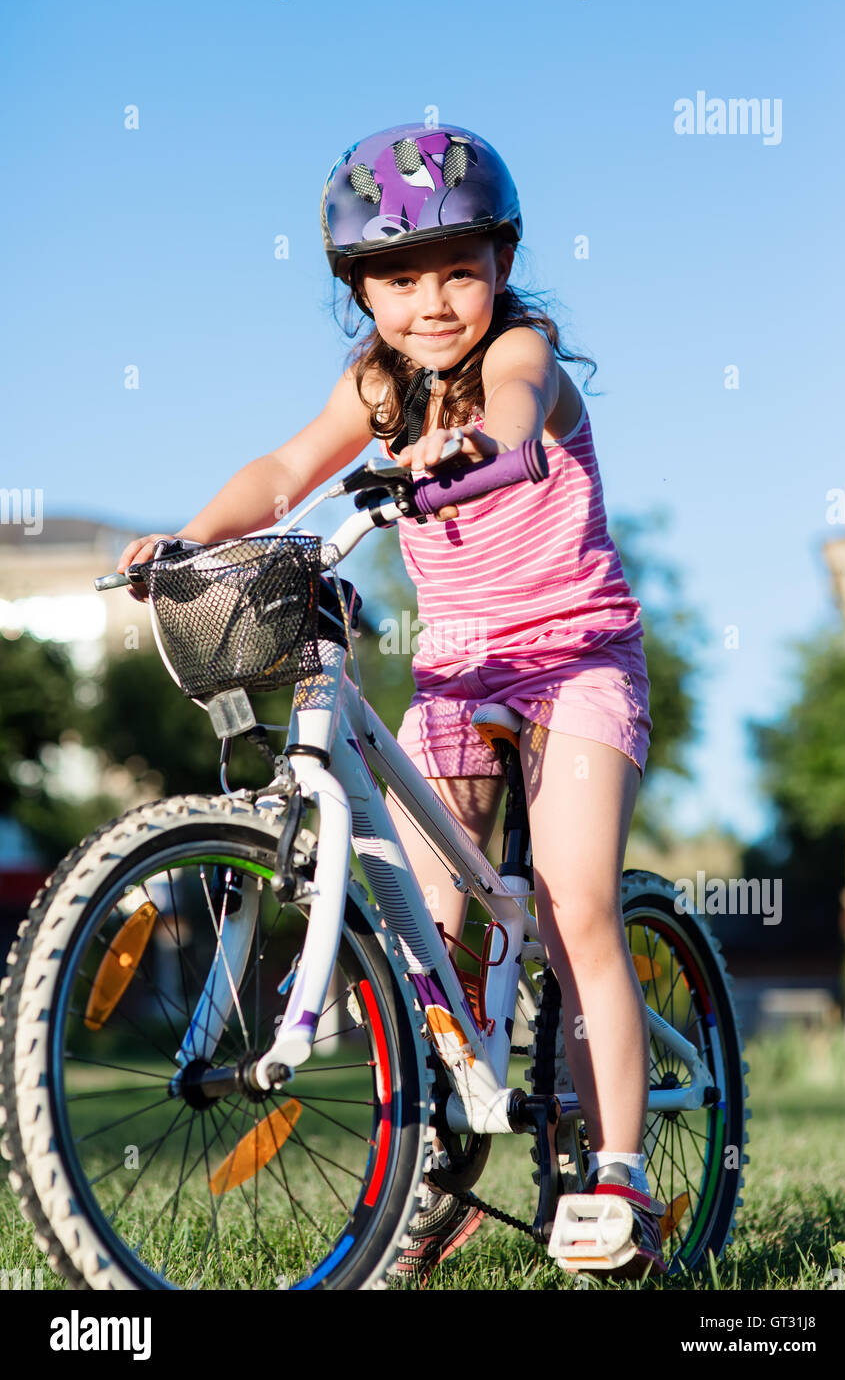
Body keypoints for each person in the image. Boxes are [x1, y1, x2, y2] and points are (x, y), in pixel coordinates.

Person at [117, 121, 663, 1287]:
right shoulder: (372, 385)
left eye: (457, 269)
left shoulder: (525, 351)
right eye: (398, 276)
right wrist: (191, 535)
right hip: (455, 675)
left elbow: (512, 415)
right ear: (356, 287)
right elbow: (281, 472)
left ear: (501, 269)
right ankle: (439, 1164)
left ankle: (617, 1168)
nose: (431, 300)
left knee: (572, 908)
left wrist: (466, 451)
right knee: (423, 930)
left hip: (575, 665)